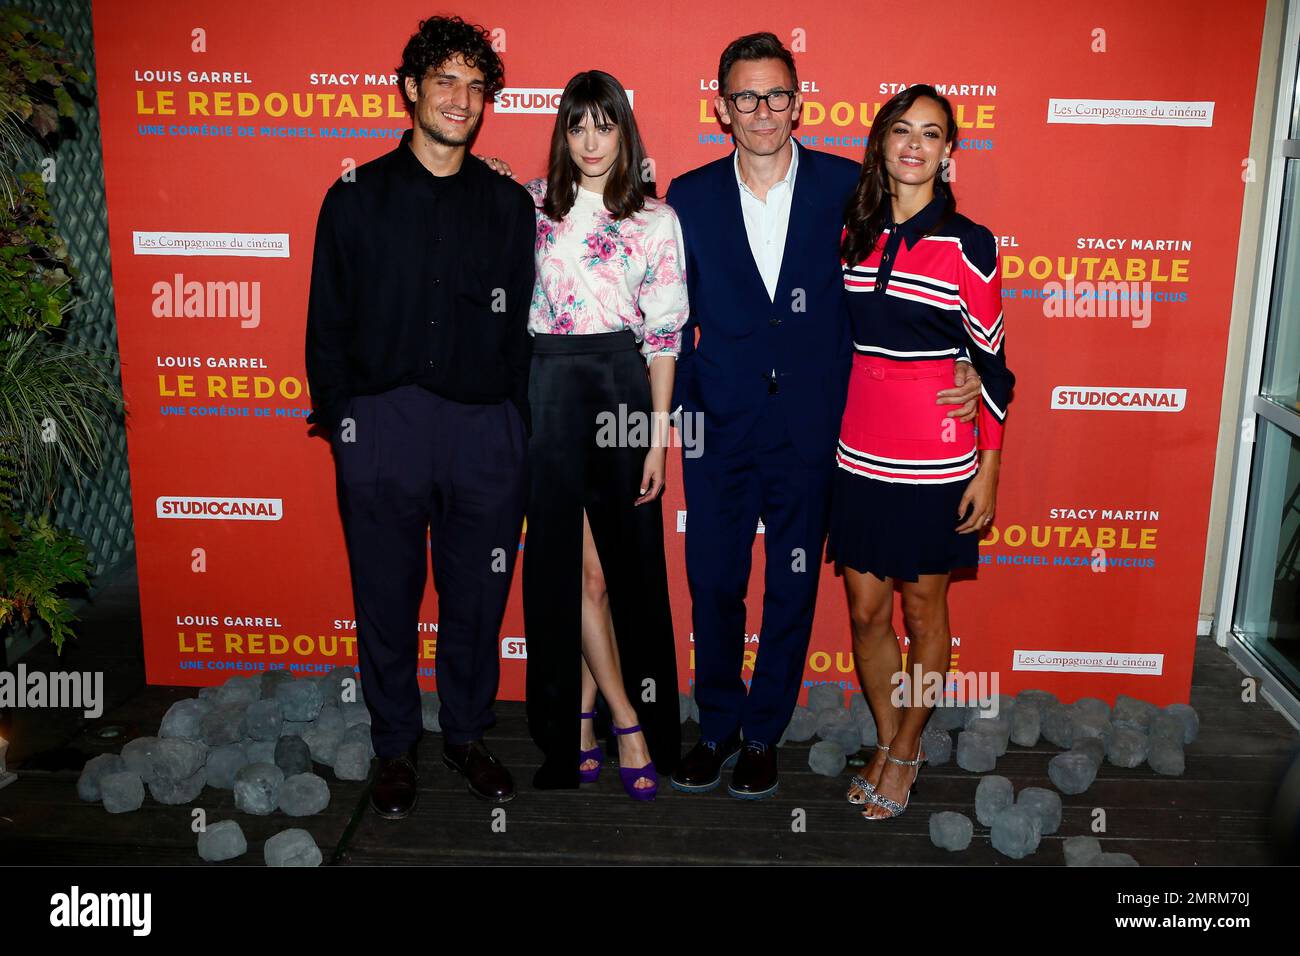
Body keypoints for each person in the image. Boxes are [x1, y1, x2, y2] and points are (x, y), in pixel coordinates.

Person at [665, 34, 983, 800]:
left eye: (776, 95)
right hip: (719, 423)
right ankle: (716, 726)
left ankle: (763, 733)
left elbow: (918, 270)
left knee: (794, 587)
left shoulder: (849, 189)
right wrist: (680, 411)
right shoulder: (687, 195)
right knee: (714, 580)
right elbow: (666, 313)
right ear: (721, 108)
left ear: (798, 103)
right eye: (745, 96)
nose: (762, 110)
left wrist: (963, 361)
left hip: (815, 429)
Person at [304, 15, 535, 818]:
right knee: (387, 596)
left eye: (476, 86)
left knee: (477, 598)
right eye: (445, 80)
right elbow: (326, 325)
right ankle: (394, 746)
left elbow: (521, 329)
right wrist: (345, 429)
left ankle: (467, 734)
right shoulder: (355, 197)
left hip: (483, 432)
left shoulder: (509, 203)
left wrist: (514, 428)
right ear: (410, 89)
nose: (461, 98)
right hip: (384, 427)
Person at [831, 84, 1015, 820]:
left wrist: (990, 464)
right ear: (880, 143)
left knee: (921, 608)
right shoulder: (855, 228)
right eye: (901, 130)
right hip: (856, 451)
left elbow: (993, 362)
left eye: (931, 134)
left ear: (949, 152)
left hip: (936, 461)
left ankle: (906, 754)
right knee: (866, 611)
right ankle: (886, 738)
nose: (914, 144)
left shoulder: (969, 243)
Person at [521, 71, 686, 798]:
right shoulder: (528, 207)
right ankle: (621, 720)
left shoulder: (656, 219)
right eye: (577, 126)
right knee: (571, 572)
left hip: (621, 388)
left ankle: (591, 719)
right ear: (563, 132)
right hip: (549, 391)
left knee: (622, 573)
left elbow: (664, 339)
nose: (590, 141)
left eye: (604, 125)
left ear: (625, 131)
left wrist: (656, 438)